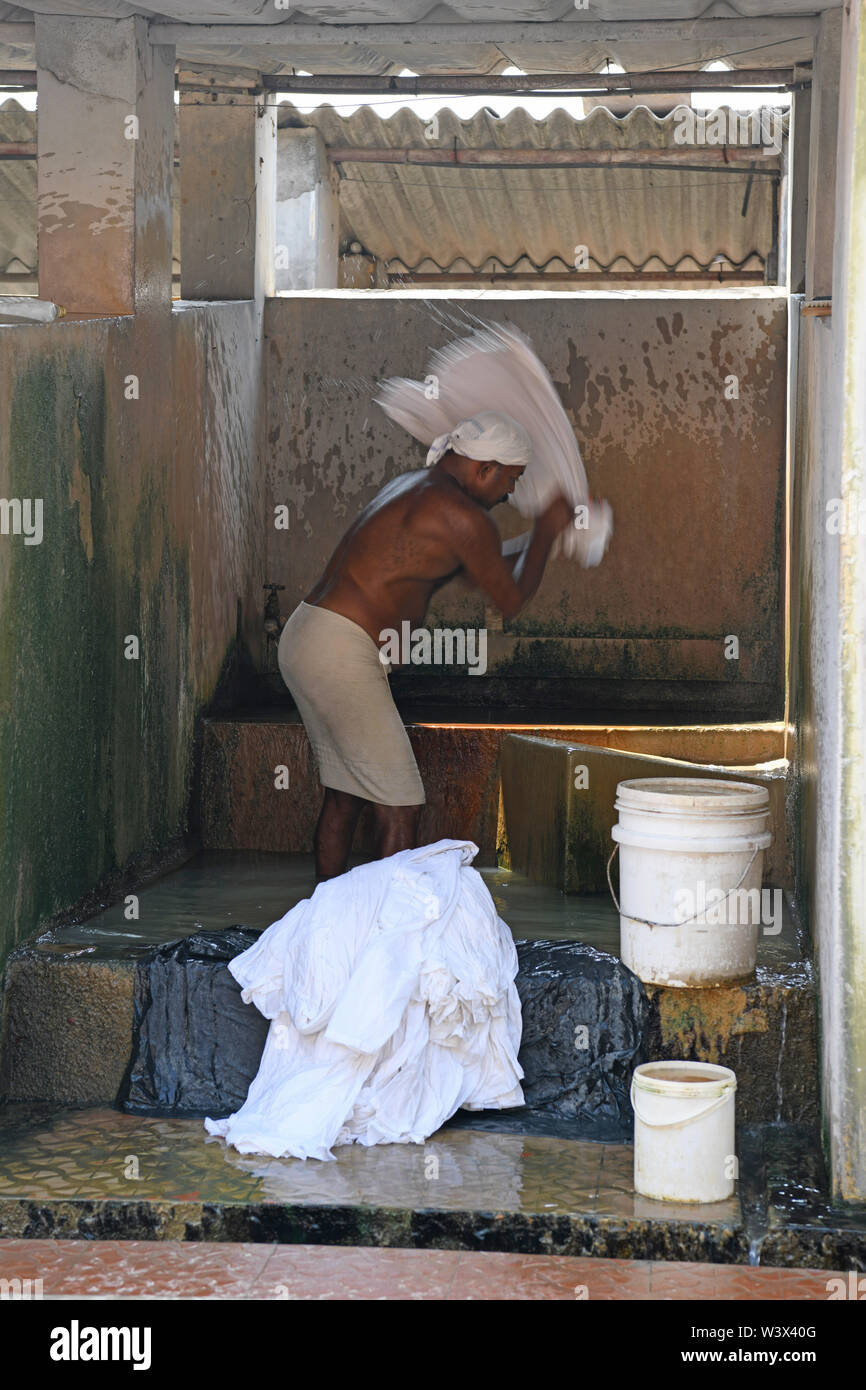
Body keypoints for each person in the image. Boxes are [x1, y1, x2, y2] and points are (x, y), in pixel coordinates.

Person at [278, 411, 575, 880]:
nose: (510, 493)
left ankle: (325, 924)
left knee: (346, 794)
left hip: (307, 636)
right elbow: (509, 597)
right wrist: (545, 533)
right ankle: (395, 937)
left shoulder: (416, 487)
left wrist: (546, 541)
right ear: (486, 469)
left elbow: (481, 563)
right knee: (401, 805)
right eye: (511, 480)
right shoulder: (460, 516)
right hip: (338, 650)